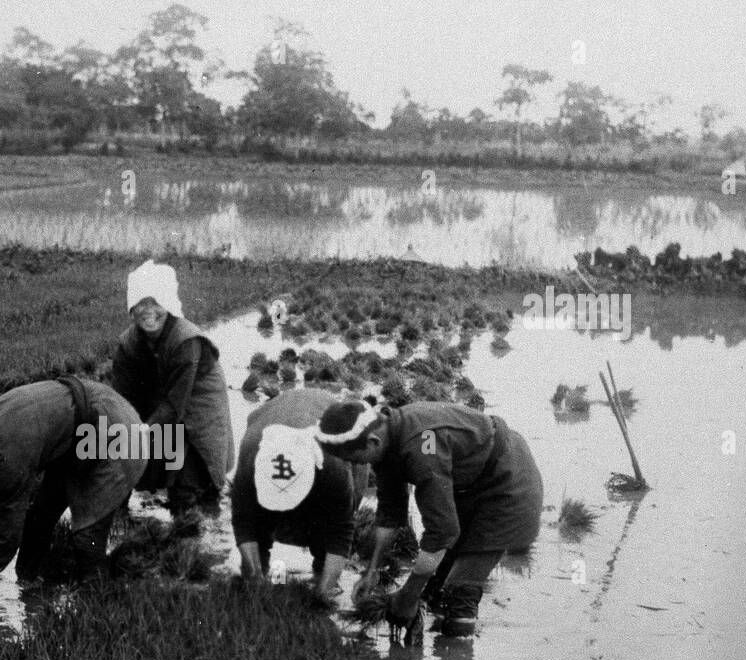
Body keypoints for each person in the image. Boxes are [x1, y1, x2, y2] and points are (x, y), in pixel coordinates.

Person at [315, 399, 543, 637]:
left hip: (510, 485)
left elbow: (442, 529)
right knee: (436, 591)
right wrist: (371, 570)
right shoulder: (385, 440)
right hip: (471, 484)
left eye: (356, 459)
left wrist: (407, 595)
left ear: (373, 442)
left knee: (458, 594)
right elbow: (391, 515)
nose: (357, 466)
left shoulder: (424, 444)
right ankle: (434, 653)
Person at [0, 377, 146, 596]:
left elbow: (4, 539)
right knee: (39, 519)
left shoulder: (5, 458)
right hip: (77, 436)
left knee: (86, 534)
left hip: (119, 431)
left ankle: (95, 602)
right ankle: (29, 585)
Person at [111, 259, 234, 524]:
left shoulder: (186, 341)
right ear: (132, 309)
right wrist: (123, 430)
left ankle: (197, 537)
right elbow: (122, 396)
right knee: (122, 460)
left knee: (189, 483)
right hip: (160, 401)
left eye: (155, 303)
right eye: (141, 304)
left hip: (198, 402)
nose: (149, 311)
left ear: (168, 304)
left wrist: (143, 431)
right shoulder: (128, 344)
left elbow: (175, 404)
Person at [231, 389, 371, 604]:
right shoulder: (250, 463)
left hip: (324, 415)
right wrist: (255, 577)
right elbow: (243, 522)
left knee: (334, 522)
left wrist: (324, 591)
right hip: (271, 414)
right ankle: (259, 566)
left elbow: (341, 531)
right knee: (256, 535)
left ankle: (322, 567)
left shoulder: (332, 465)